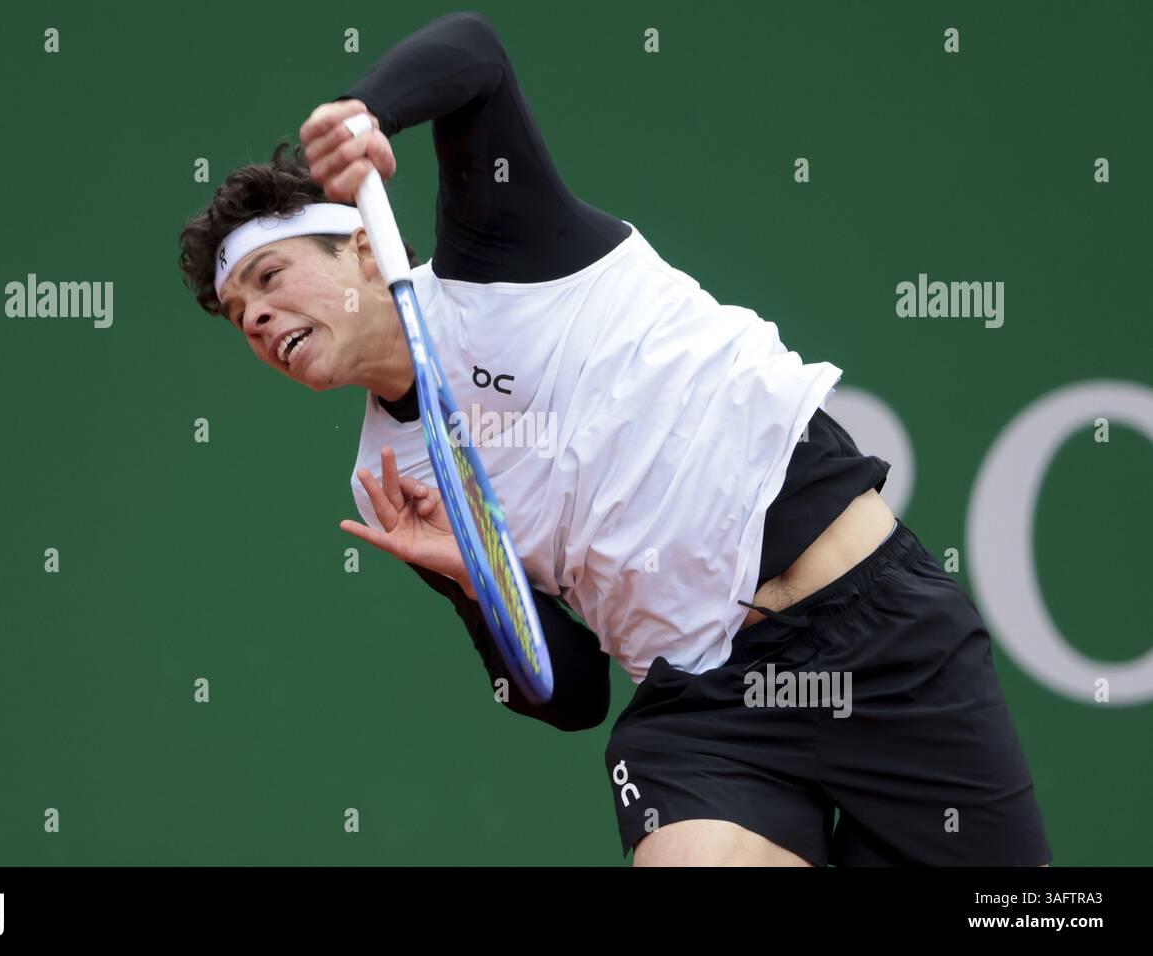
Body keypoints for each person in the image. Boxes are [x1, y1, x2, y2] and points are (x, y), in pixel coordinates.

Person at [178, 12, 1050, 867]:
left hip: (882, 641)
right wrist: (480, 583)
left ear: (365, 250)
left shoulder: (501, 251)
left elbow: (476, 54)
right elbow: (574, 694)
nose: (256, 315)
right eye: (238, 313)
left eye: (271, 275)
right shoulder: (387, 477)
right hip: (710, 714)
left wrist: (363, 111)